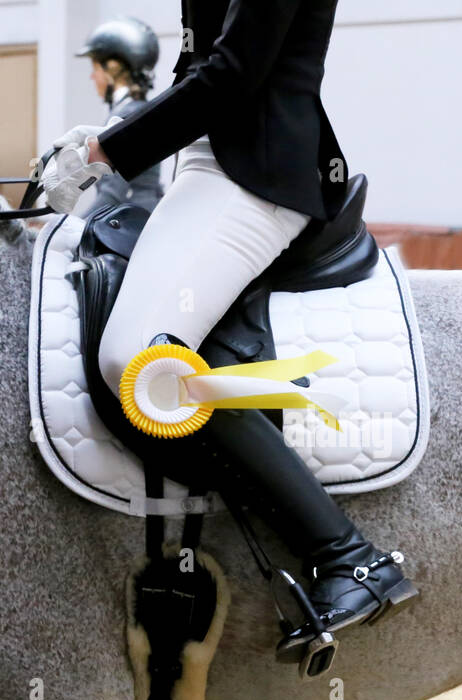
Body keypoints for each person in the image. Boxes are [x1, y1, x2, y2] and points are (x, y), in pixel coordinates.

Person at [53, 0, 417, 641]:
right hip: (202, 169)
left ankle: (349, 557)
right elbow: (196, 66)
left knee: (138, 357)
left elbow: (235, 72)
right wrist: (111, 143)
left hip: (259, 177)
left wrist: (106, 150)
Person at [75, 18, 164, 213]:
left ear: (113, 67)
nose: (92, 77)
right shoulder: (135, 110)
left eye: (95, 68)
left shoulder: (127, 115)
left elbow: (113, 194)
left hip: (131, 222)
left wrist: (75, 227)